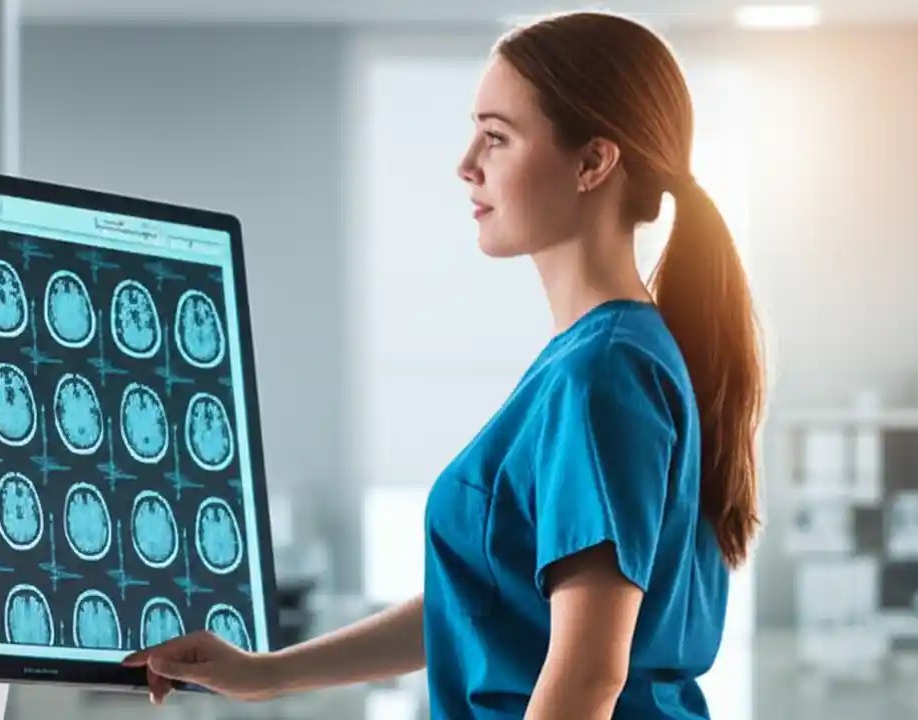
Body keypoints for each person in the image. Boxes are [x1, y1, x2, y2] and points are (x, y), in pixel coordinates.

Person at [122, 10, 765, 719]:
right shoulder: (600, 361)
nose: (466, 164)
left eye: (497, 136)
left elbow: (586, 678)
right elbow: (481, 597)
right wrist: (267, 673)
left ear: (592, 163)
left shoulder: (603, 374)